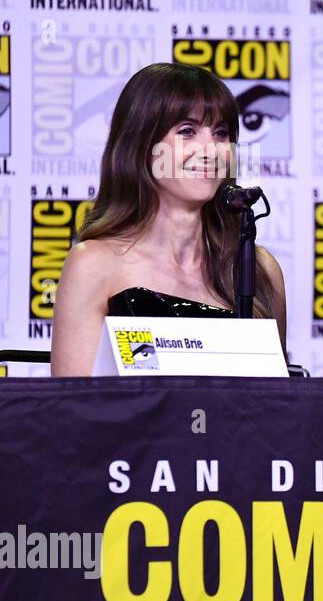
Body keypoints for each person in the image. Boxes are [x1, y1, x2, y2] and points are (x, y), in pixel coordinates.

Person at [50, 62, 287, 376]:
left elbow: (277, 407)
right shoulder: (93, 264)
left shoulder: (258, 268)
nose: (211, 150)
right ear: (142, 146)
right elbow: (73, 412)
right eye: (187, 131)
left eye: (221, 133)